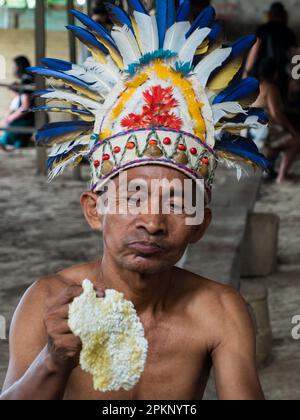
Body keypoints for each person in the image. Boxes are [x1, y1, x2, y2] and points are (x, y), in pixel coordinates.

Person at [0, 5, 266, 400]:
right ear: (94, 209)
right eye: (132, 197)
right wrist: (53, 359)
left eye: (176, 202)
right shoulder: (46, 301)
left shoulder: (220, 311)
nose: (153, 222)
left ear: (201, 223)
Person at [251, 58, 300, 184]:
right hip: (262, 136)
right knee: (295, 140)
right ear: (275, 73)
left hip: (251, 134)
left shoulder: (256, 86)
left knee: (280, 134)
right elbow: (275, 114)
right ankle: (282, 176)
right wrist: (290, 128)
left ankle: (269, 169)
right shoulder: (270, 88)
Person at [244, 2, 297, 99]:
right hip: (281, 76)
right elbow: (294, 56)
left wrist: (246, 71)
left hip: (263, 74)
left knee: (260, 103)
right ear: (284, 15)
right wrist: (294, 78)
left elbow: (255, 50)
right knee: (279, 104)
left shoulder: (262, 29)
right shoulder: (289, 33)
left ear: (270, 15)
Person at [0, 56, 34, 150]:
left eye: (14, 66)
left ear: (19, 67)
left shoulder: (26, 80)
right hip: (36, 117)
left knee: (3, 139)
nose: (13, 69)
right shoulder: (33, 78)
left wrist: (10, 118)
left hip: (26, 120)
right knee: (19, 142)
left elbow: (25, 106)